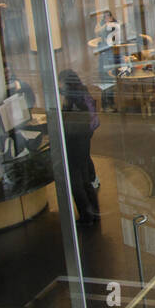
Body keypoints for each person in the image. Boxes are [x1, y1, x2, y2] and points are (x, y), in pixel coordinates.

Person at [58, 70, 100, 225]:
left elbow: (67, 119)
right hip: (84, 137)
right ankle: (95, 211)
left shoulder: (72, 97)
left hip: (74, 141)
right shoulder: (82, 91)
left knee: (76, 181)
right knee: (85, 179)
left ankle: (86, 216)